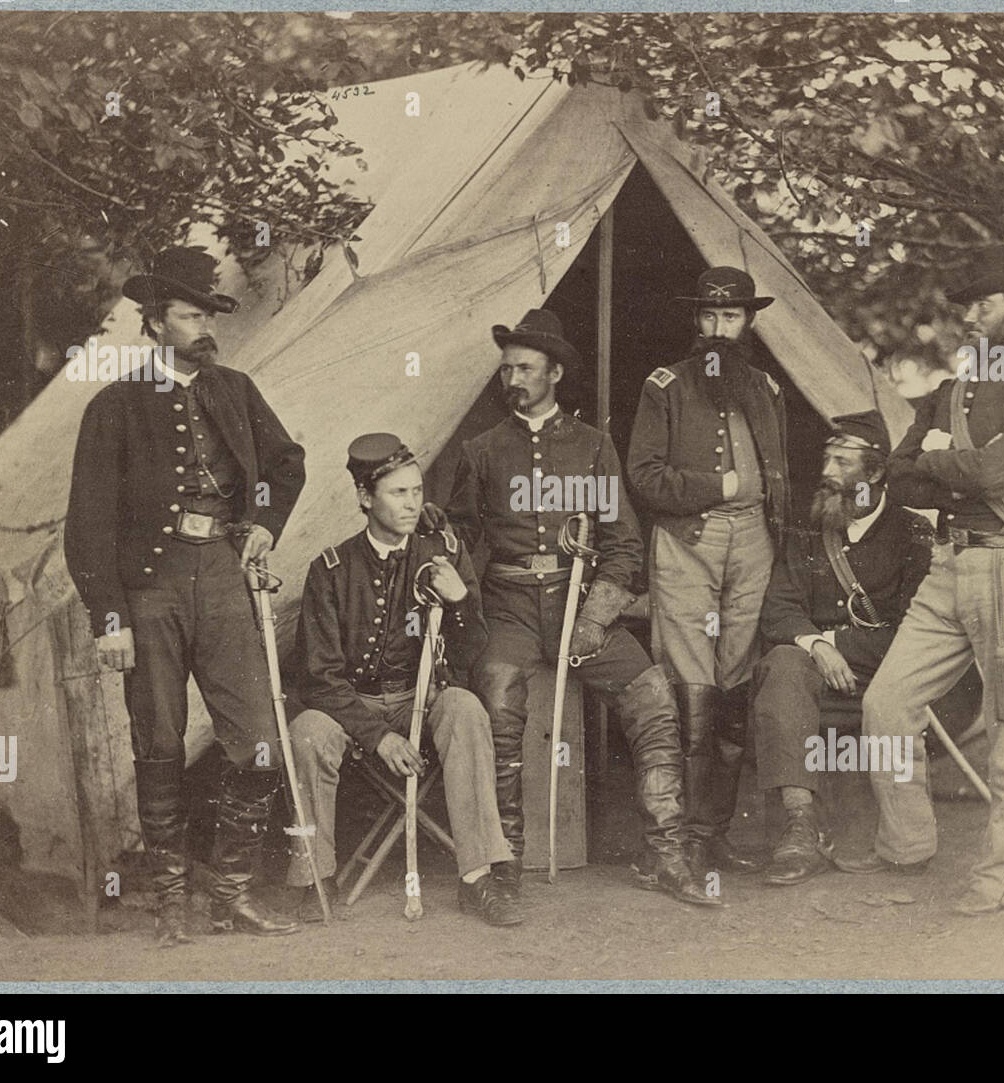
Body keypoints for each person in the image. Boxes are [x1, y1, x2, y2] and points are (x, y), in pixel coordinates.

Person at [65, 246, 306, 944]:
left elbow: (285, 464)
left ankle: (231, 894)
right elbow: (87, 524)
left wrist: (262, 522)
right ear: (153, 323)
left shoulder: (235, 388)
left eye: (207, 313)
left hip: (224, 577)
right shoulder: (115, 405)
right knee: (160, 745)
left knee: (259, 741)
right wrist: (108, 617)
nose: (203, 326)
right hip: (151, 590)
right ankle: (172, 904)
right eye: (189, 314)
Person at [448, 308, 719, 908]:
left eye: (524, 368)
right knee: (495, 700)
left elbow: (623, 543)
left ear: (556, 373)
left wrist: (596, 617)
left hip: (581, 609)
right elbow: (462, 543)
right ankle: (503, 865)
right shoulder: (482, 451)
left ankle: (666, 855)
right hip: (510, 610)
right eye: (506, 369)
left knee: (652, 696)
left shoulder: (593, 448)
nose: (512, 378)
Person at [851, 246, 1004, 916]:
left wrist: (945, 461)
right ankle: (909, 843)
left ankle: (1001, 875)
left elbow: (998, 477)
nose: (973, 316)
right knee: (885, 705)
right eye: (972, 303)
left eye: (987, 303)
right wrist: (955, 463)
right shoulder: (956, 390)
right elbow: (899, 470)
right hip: (948, 564)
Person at [285, 433, 522, 926]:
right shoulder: (330, 569)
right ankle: (316, 876)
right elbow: (318, 678)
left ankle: (477, 876)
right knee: (307, 733)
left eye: (417, 491)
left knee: (466, 710)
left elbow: (470, 652)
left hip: (424, 696)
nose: (412, 503)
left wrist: (460, 602)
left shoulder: (443, 553)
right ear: (365, 498)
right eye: (398, 493)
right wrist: (379, 736)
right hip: (352, 708)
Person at [626, 266, 790, 874]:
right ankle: (677, 837)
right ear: (696, 321)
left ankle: (713, 829)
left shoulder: (767, 390)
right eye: (709, 316)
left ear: (749, 322)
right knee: (688, 688)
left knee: (735, 686)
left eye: (731, 317)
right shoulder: (665, 386)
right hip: (688, 539)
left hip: (753, 543)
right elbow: (642, 478)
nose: (719, 328)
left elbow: (780, 483)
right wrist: (713, 484)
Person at [751, 410, 932, 885]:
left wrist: (837, 644)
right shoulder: (807, 528)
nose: (827, 472)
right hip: (812, 668)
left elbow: (918, 631)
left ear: (874, 473)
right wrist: (815, 646)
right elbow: (778, 609)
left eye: (842, 462)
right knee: (783, 664)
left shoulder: (913, 534)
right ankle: (799, 825)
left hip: (884, 672)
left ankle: (869, 820)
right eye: (827, 458)